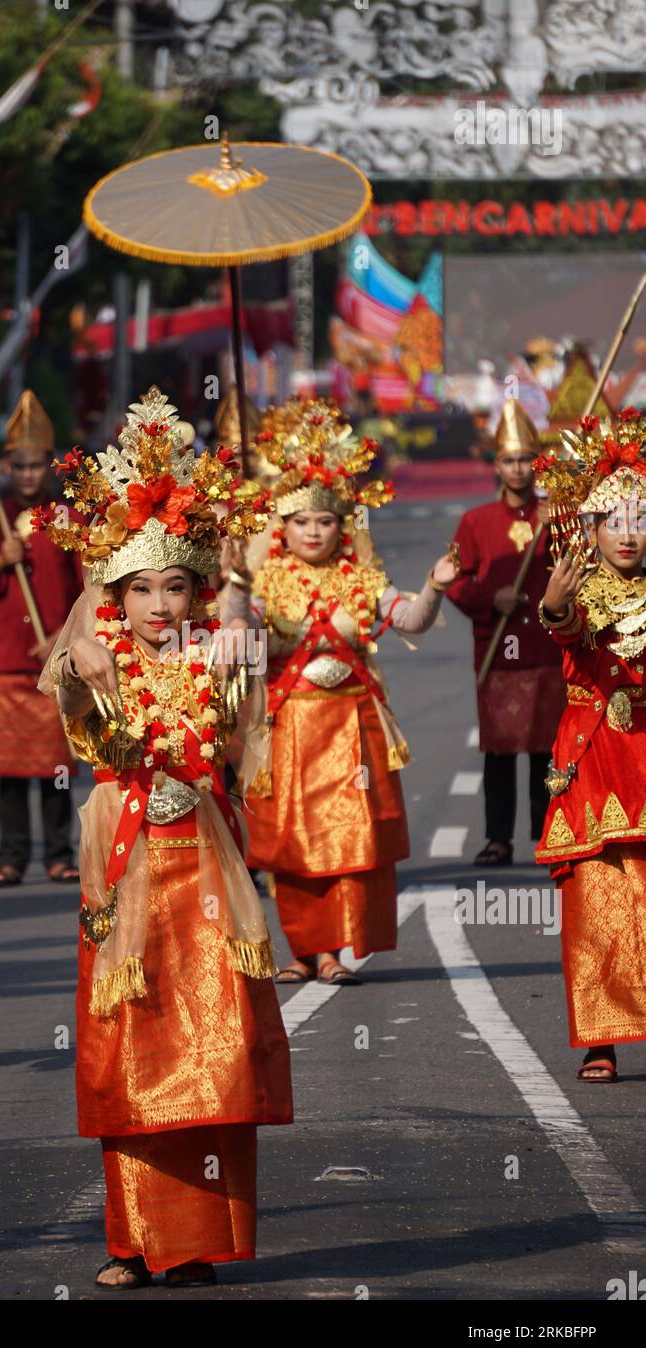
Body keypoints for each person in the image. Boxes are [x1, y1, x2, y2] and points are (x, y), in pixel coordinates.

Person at [36, 386, 292, 1288]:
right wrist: (79, 661)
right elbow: (67, 693)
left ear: (194, 588)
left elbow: (246, 725)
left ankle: (201, 1242)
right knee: (127, 1046)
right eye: (137, 587)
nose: (154, 604)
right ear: (115, 592)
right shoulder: (93, 657)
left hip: (207, 872)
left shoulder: (215, 651)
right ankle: (132, 1239)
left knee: (213, 1048)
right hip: (125, 864)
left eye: (172, 585)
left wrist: (240, 629)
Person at [222, 397, 459, 986]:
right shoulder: (264, 581)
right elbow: (238, 634)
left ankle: (334, 949)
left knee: (350, 841)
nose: (312, 532)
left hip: (353, 724)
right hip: (287, 726)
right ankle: (304, 949)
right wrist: (231, 581)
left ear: (341, 525)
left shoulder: (363, 577)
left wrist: (433, 587)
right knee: (291, 847)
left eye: (324, 521)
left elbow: (408, 621)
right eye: (301, 522)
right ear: (283, 526)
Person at [534, 408, 646, 1083]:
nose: (629, 533)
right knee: (598, 904)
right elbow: (566, 627)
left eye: (641, 517)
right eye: (615, 520)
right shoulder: (578, 588)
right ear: (592, 529)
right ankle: (600, 1037)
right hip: (596, 760)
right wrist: (554, 602)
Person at [0, 390, 83, 887]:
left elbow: (89, 592)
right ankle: (11, 856)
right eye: (20, 466)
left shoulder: (70, 520)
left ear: (49, 468)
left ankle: (58, 852)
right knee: (9, 768)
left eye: (36, 466)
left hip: (55, 660)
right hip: (6, 659)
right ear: (7, 467)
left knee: (55, 765)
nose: (28, 474)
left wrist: (59, 635)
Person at [446, 399, 567, 867]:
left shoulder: (556, 516)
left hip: (550, 650)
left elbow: (582, 566)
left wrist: (560, 525)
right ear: (496, 464)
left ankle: (547, 834)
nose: (518, 469)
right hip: (499, 653)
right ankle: (498, 838)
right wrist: (488, 599)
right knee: (500, 750)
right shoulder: (476, 522)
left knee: (546, 750)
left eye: (525, 460)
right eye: (509, 460)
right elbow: (453, 579)